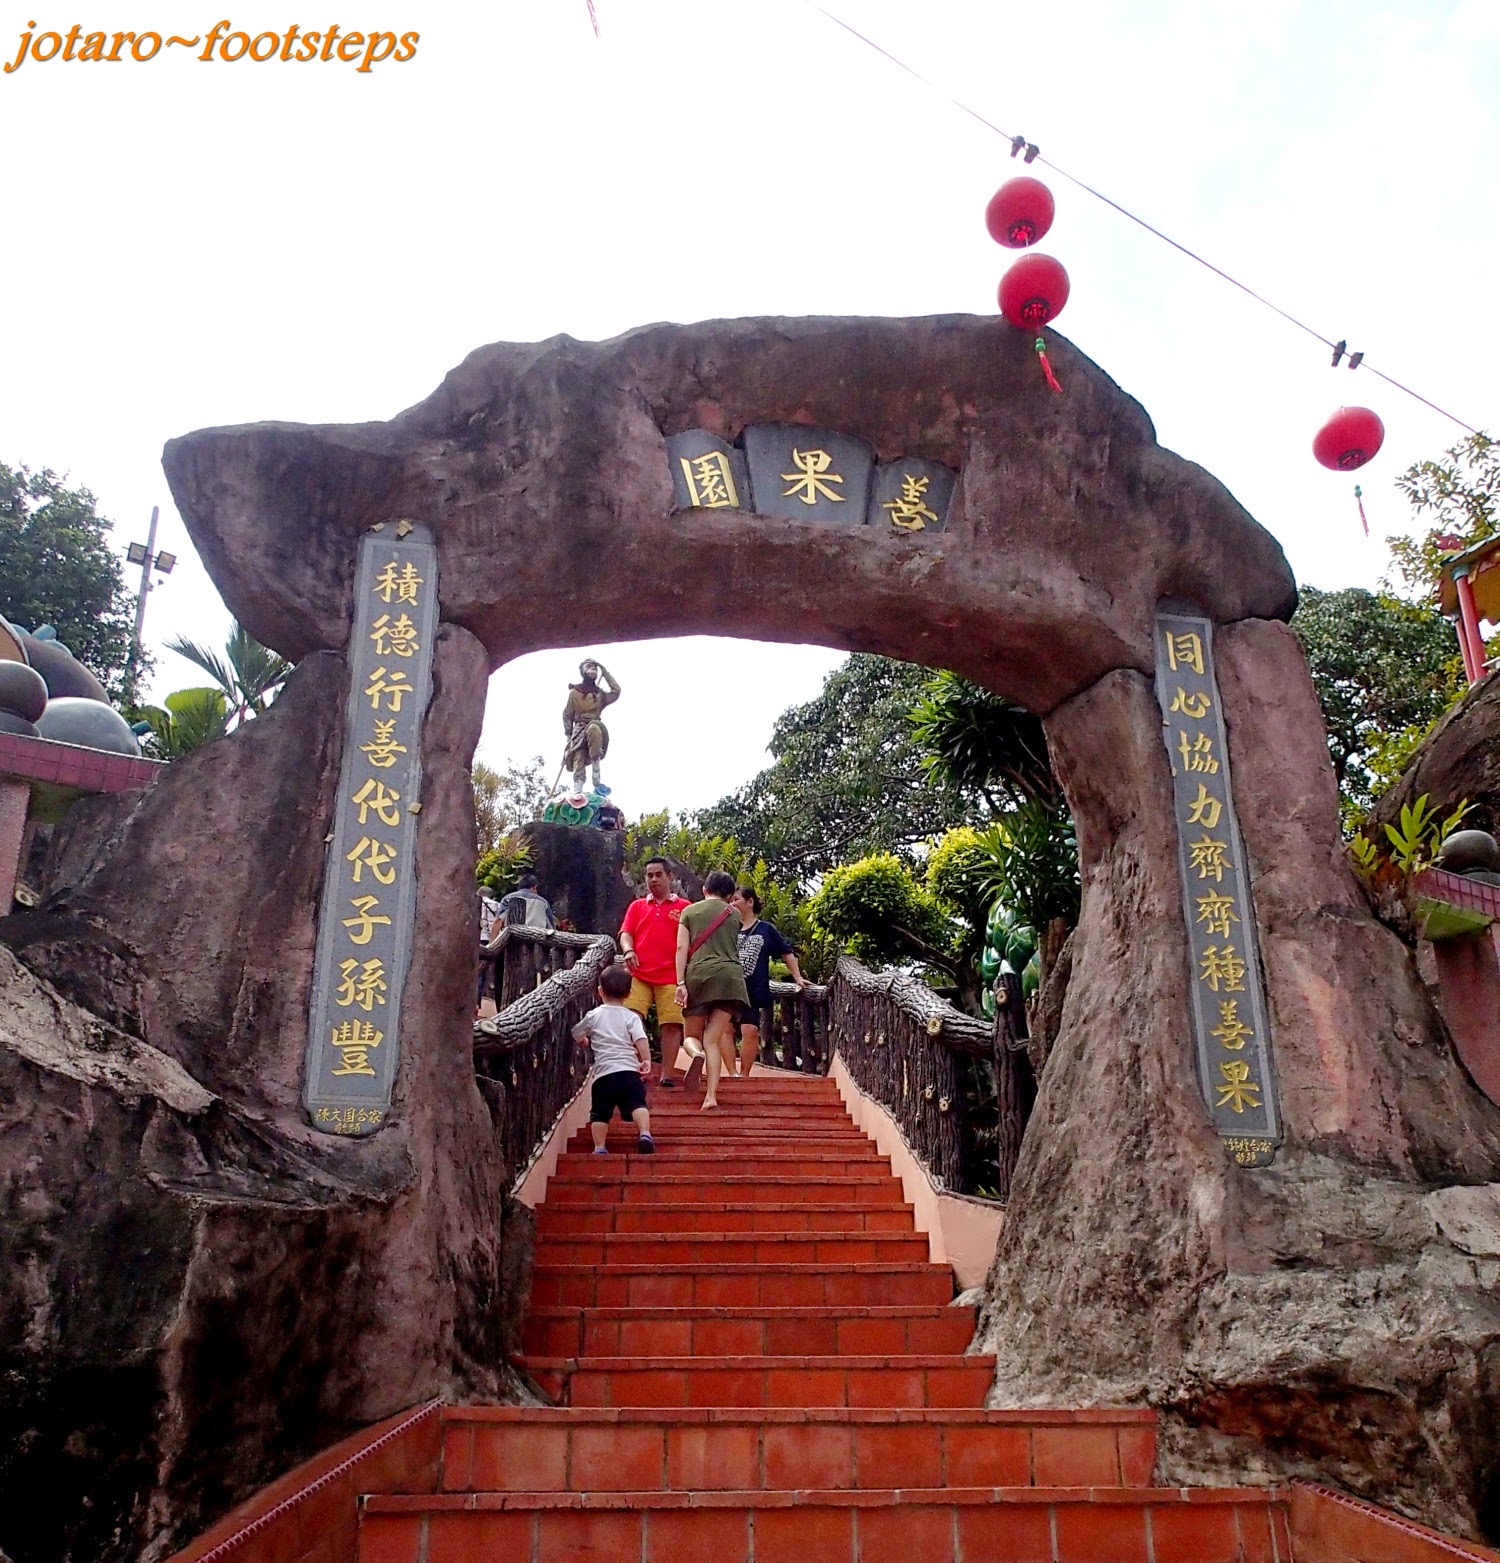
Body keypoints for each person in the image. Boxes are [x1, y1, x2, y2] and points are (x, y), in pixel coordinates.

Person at [676, 870, 750, 1112]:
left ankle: (695, 1054)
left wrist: (680, 983)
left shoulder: (689, 911)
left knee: (691, 1037)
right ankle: (710, 1097)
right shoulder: (735, 914)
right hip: (730, 978)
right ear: (730, 895)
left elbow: (681, 948)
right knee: (713, 1039)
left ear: (704, 888)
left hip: (699, 975)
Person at [571, 963, 655, 1154]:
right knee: (637, 1104)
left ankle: (599, 1146)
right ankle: (644, 1133)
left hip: (604, 1075)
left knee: (600, 1113)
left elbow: (576, 1032)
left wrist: (584, 1039)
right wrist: (646, 1059)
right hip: (629, 1072)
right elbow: (640, 1039)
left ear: (600, 991)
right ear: (628, 994)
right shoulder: (631, 1016)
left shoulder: (594, 1016)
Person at [619, 857, 691, 1076]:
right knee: (631, 1019)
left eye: (658, 874)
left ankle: (667, 1075)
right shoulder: (637, 906)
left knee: (671, 1024)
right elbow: (626, 933)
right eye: (649, 875)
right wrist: (628, 950)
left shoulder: (685, 908)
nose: (653, 879)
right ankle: (634, 1070)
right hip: (639, 973)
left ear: (670, 877)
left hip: (671, 976)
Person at [731, 884, 808, 1077]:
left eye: (736, 899)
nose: (732, 903)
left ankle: (744, 1075)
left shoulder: (766, 929)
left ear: (750, 902)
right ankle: (731, 1072)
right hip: (728, 987)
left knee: (749, 1030)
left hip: (752, 989)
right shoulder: (728, 928)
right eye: (730, 900)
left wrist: (798, 977)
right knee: (724, 1029)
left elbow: (787, 953)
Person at [562, 658, 621, 792]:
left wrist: (604, 672)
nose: (593, 669)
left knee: (594, 730)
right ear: (583, 671)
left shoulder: (599, 695)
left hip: (593, 725)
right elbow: (567, 715)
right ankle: (577, 789)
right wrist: (568, 735)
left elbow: (616, 691)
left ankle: (596, 765)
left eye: (595, 667)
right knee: (579, 756)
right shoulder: (574, 693)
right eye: (589, 667)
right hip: (578, 730)